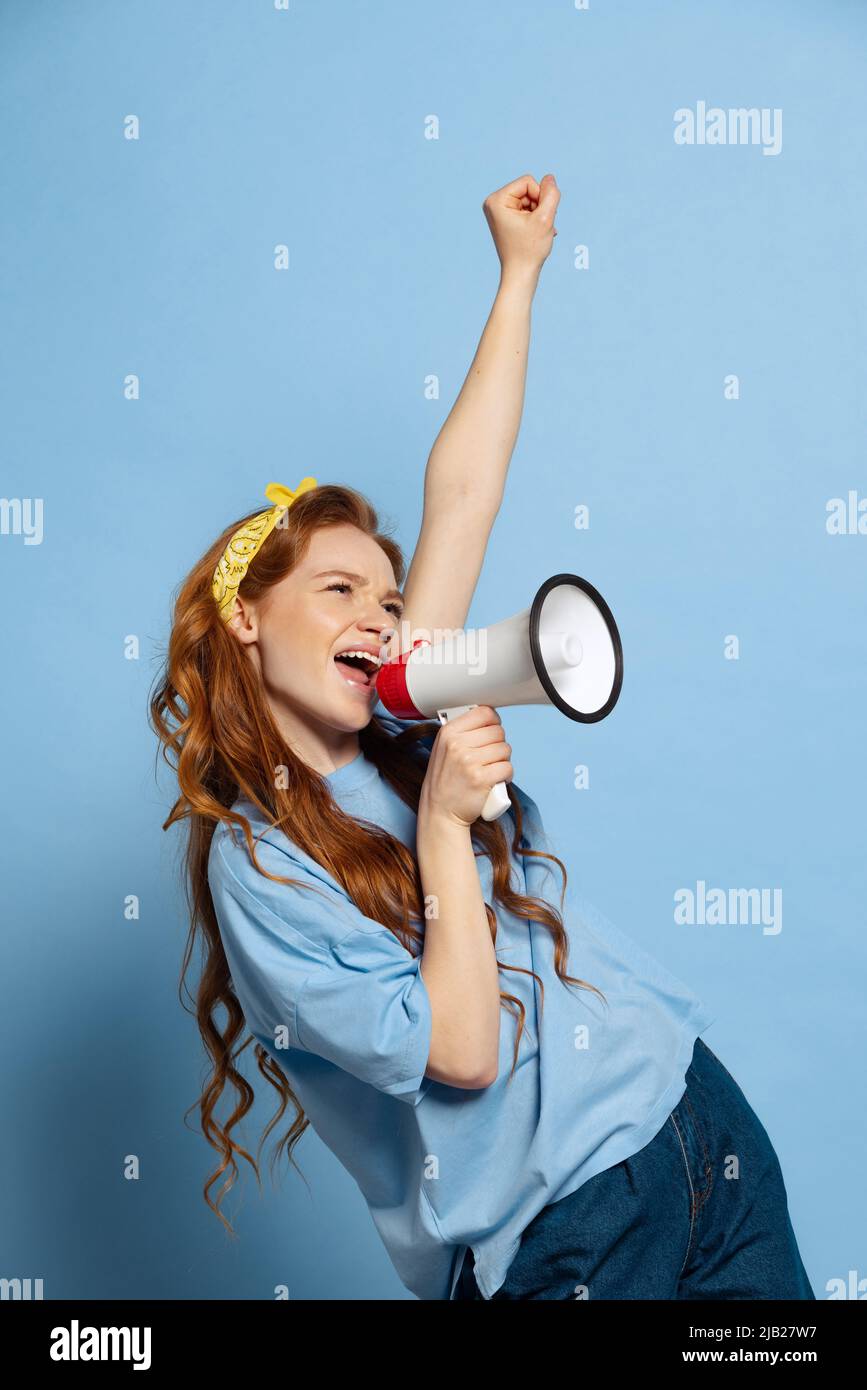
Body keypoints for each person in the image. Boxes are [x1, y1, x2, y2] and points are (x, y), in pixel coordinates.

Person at [150, 173, 814, 1301]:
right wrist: (448, 824)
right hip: (564, 1215)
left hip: (695, 1117)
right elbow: (460, 1051)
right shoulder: (258, 863)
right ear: (246, 619)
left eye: (392, 597)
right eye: (340, 588)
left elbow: (462, 493)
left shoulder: (402, 713)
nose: (381, 615)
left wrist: (518, 275)